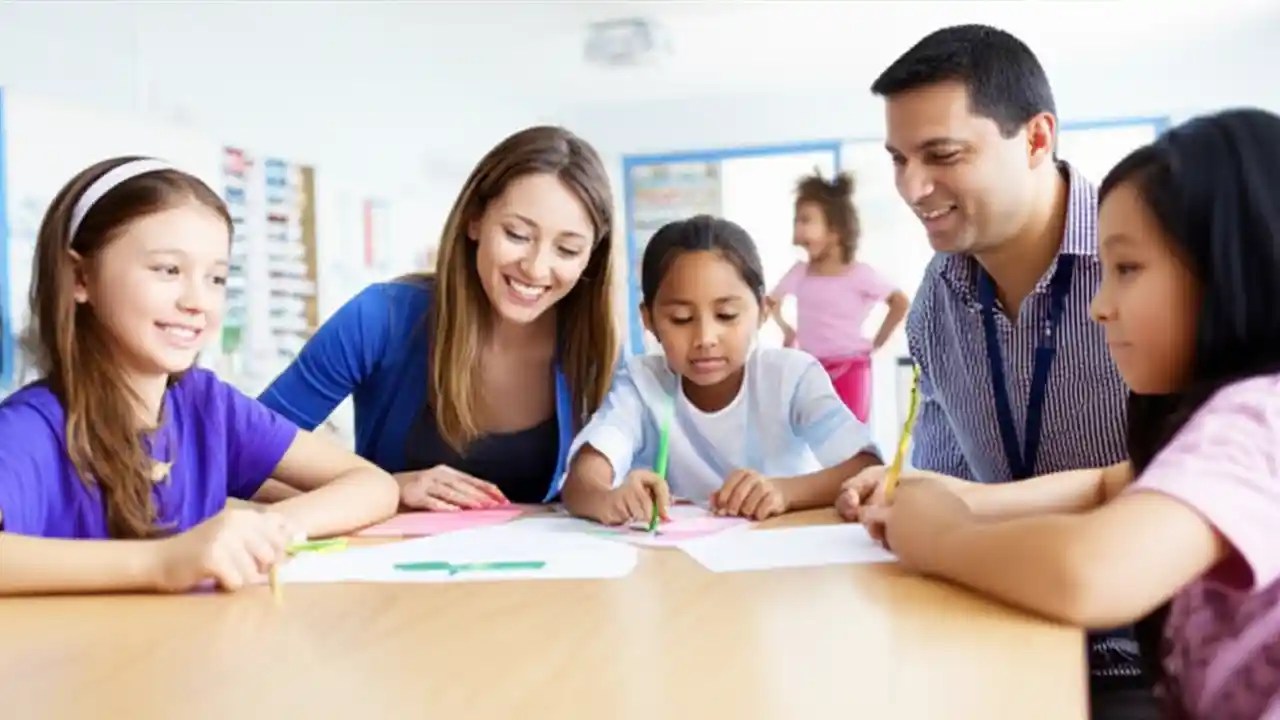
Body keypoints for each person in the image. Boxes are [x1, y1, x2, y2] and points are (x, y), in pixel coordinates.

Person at [844, 108, 1280, 720]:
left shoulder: (1259, 420)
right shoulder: (1232, 423)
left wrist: (943, 537)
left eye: (1126, 269)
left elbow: (1091, 574)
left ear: (1234, 268)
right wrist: (948, 493)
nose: (1101, 306)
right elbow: (1107, 483)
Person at [844, 24, 1152, 717]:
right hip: (992, 625)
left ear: (1038, 139)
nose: (913, 187)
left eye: (942, 155)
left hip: (1144, 656)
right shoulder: (937, 299)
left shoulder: (1149, 262)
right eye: (898, 159)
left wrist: (954, 516)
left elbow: (1159, 482)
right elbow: (950, 483)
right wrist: (909, 494)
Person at [0, 157, 399, 596]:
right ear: (81, 277)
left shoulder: (207, 405)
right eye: (168, 270)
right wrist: (164, 561)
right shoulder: (31, 429)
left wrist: (264, 530)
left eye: (216, 278)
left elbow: (372, 485)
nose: (198, 301)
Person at [258, 126, 617, 510]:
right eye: (517, 234)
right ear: (474, 219)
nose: (536, 267)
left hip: (542, 568)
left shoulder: (597, 353)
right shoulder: (379, 320)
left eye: (567, 249)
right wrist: (387, 490)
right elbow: (235, 461)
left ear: (590, 258)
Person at [560, 215, 879, 525]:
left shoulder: (790, 377)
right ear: (649, 321)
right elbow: (582, 479)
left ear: (762, 312)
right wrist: (608, 498)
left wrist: (785, 491)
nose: (705, 339)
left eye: (726, 315)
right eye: (681, 318)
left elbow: (866, 465)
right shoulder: (643, 382)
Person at [767, 171, 910, 423]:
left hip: (850, 369)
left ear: (835, 231)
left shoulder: (860, 275)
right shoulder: (799, 273)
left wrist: (875, 344)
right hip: (811, 370)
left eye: (806, 220)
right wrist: (787, 331)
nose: (798, 229)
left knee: (851, 438)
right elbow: (769, 303)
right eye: (796, 221)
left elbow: (899, 302)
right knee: (813, 434)